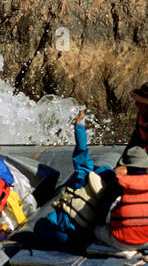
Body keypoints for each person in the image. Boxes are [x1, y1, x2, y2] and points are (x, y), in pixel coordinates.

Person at [32, 108, 116, 252]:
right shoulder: (112, 194)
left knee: (39, 225)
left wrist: (79, 126)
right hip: (76, 240)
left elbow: (81, 150)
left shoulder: (84, 174)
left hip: (55, 230)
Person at [94, 145, 148, 251]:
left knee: (97, 229)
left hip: (122, 241)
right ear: (146, 166)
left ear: (126, 167)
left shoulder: (118, 185)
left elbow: (101, 214)